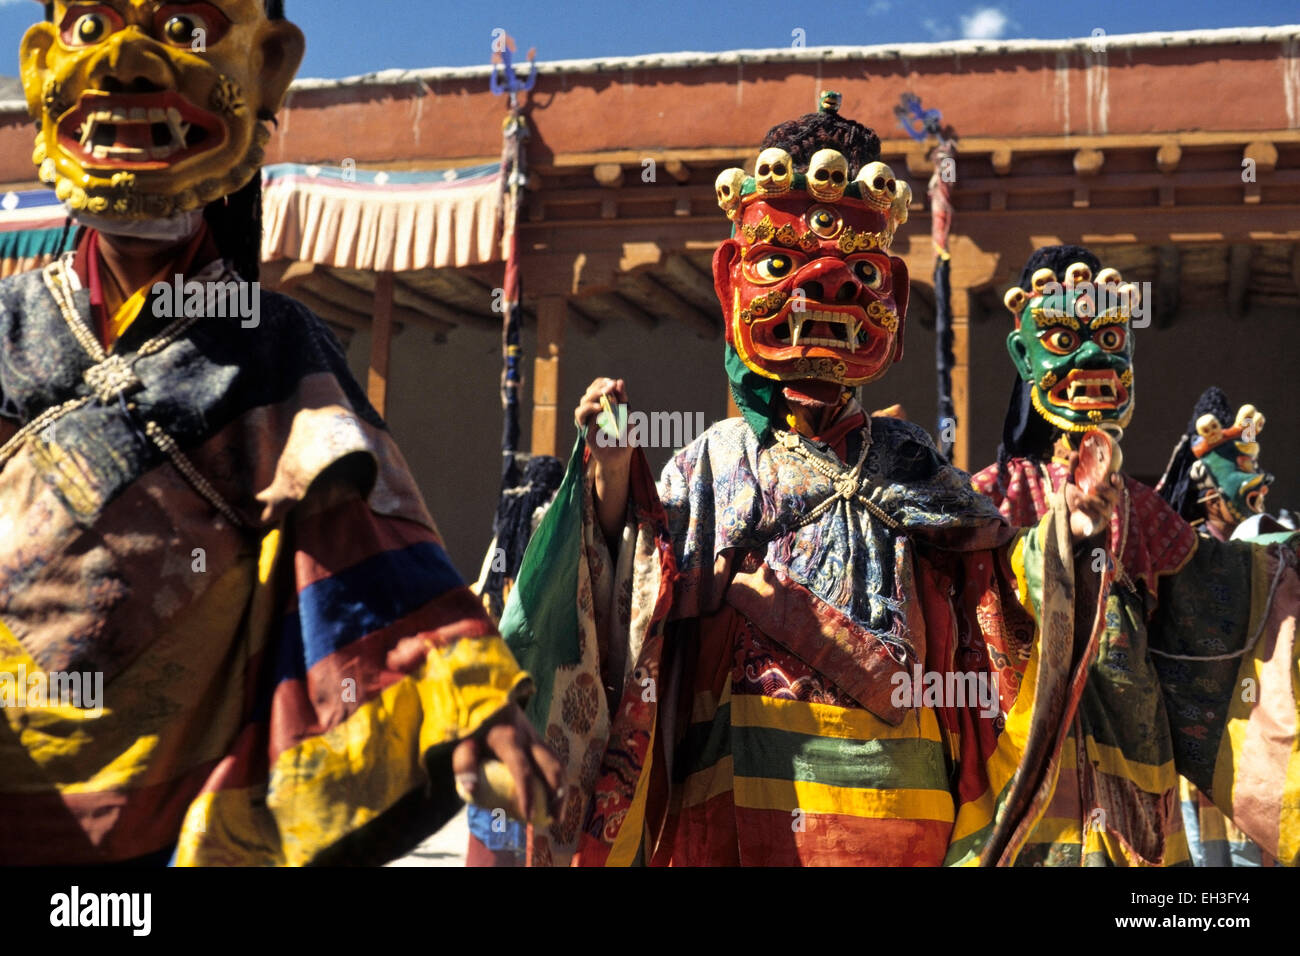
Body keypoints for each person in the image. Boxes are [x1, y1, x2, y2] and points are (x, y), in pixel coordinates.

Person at [497, 93, 1124, 867]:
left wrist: (1069, 534)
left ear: (892, 294)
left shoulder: (911, 458)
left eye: (861, 271)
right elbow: (631, 586)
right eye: (779, 264)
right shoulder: (716, 458)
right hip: (744, 787)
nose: (830, 291)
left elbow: (996, 594)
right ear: (733, 286)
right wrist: (613, 473)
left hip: (903, 791)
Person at [0, 0, 559, 865]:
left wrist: (470, 700)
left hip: (182, 795)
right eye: (91, 27)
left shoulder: (268, 343)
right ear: (39, 66)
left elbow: (361, 538)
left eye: (185, 29)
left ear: (264, 71)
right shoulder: (8, 322)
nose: (130, 66)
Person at [971, 246, 1299, 865]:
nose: (1094, 355)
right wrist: (1049, 547)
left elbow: (1209, 584)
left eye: (1111, 336)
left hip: (1133, 729)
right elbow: (959, 577)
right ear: (1025, 355)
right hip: (1028, 732)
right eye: (1065, 338)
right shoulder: (1000, 490)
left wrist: (1280, 568)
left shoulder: (1139, 504)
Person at [1155, 387, 1284, 865]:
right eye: (1244, 471)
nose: (1259, 482)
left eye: (1256, 469)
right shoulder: (1178, 554)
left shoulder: (1279, 544)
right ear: (1207, 486)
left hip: (1266, 726)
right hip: (1199, 736)